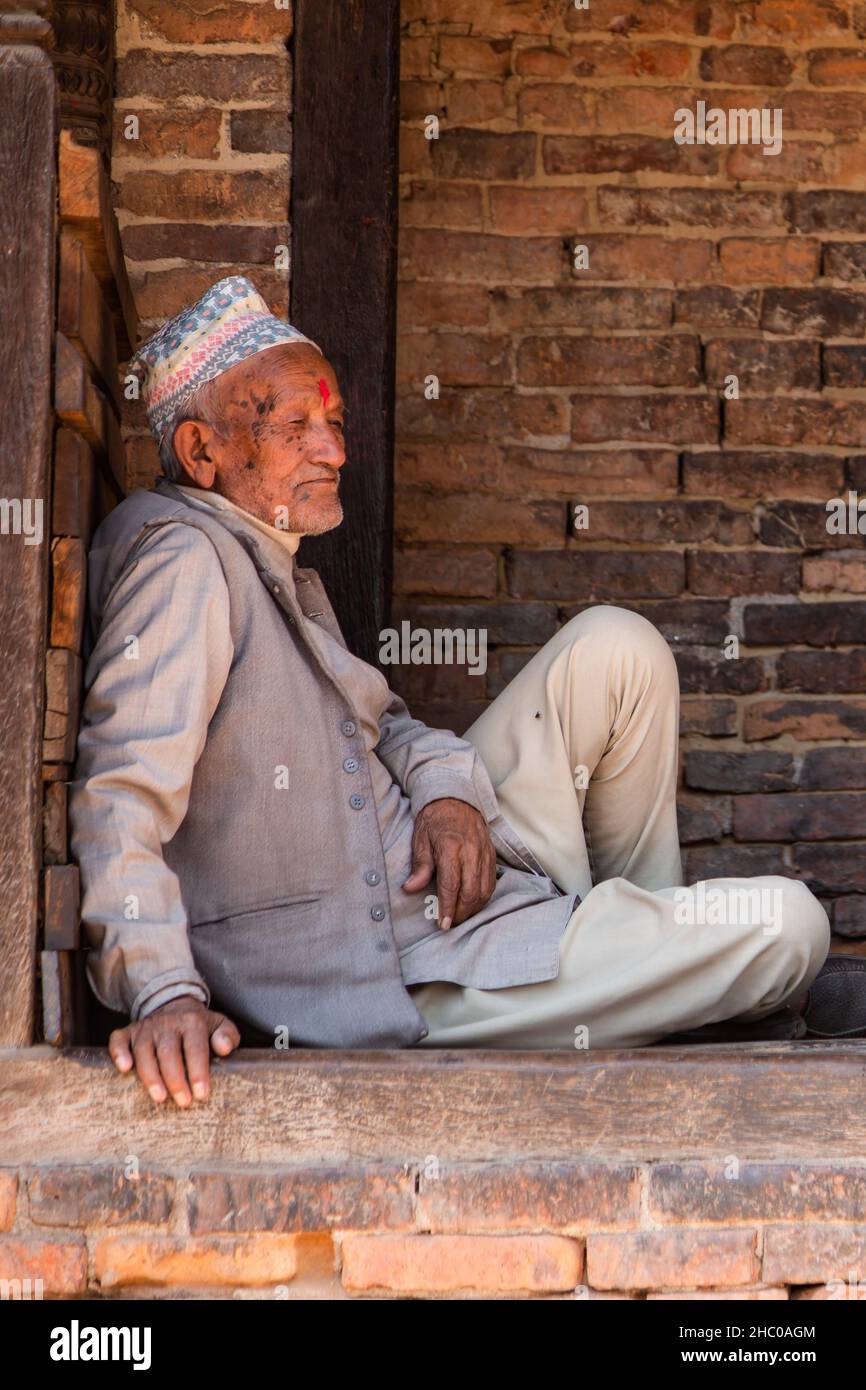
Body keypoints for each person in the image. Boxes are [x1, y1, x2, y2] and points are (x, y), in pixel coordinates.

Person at [69, 276, 863, 1109]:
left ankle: (651, 978)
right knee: (791, 926)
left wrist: (448, 796)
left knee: (616, 648)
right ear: (203, 452)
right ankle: (660, 981)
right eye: (297, 428)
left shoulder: (261, 553)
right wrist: (161, 990)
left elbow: (388, 730)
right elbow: (120, 791)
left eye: (334, 426)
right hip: (400, 966)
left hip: (453, 876)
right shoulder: (184, 566)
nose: (335, 452)